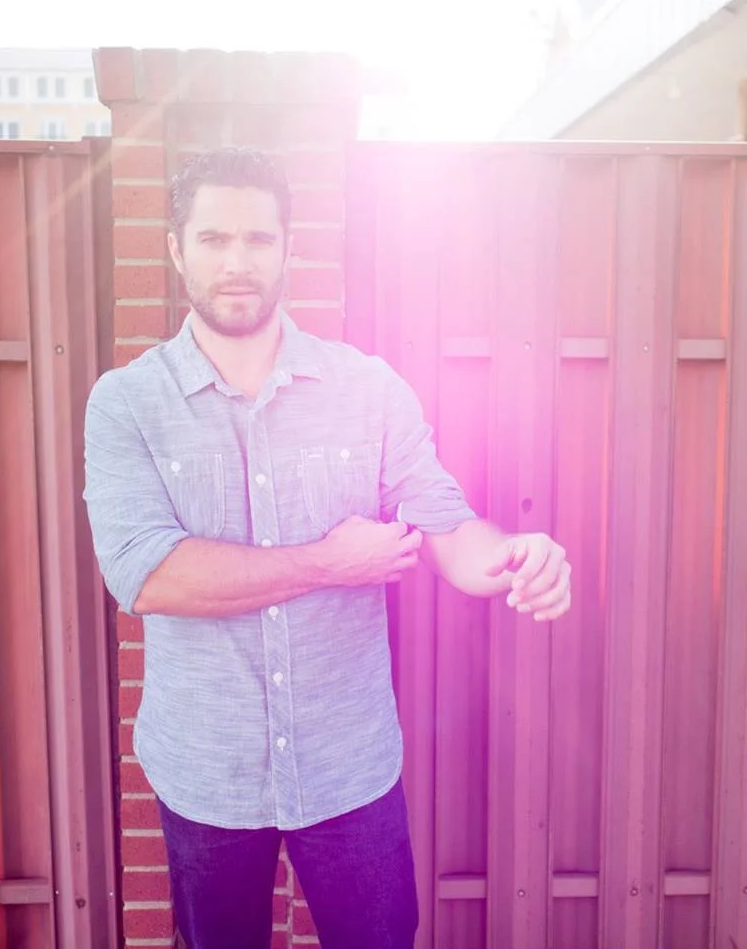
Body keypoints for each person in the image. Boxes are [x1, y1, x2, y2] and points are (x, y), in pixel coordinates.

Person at [83, 147, 571, 949]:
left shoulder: (367, 389)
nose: (236, 262)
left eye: (258, 238)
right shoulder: (127, 404)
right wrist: (328, 564)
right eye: (213, 239)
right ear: (176, 249)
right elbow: (147, 574)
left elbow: (444, 523)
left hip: (349, 765)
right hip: (208, 770)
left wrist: (513, 555)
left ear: (289, 248)